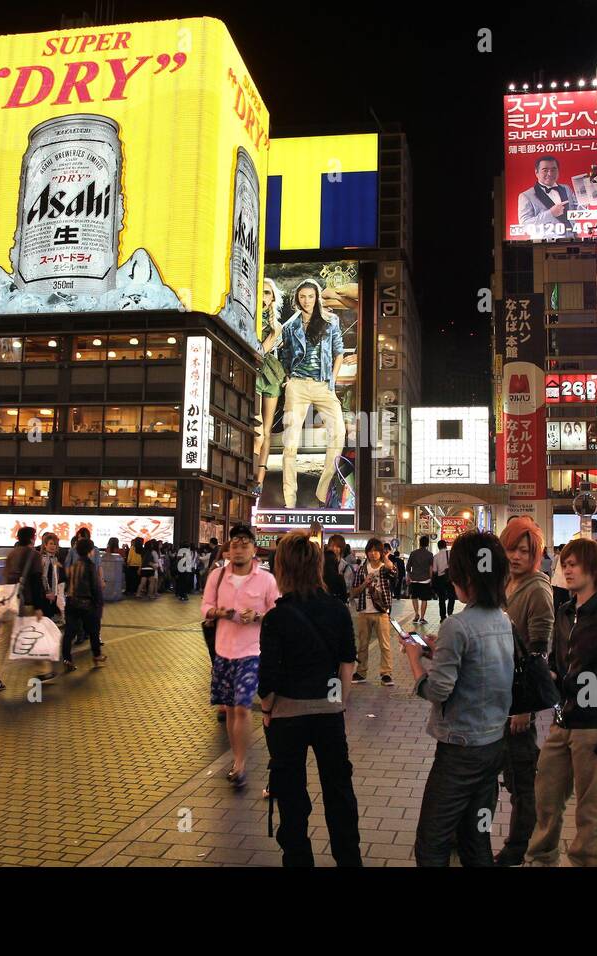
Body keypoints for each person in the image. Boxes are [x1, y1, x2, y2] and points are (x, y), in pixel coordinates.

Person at [525, 538, 597, 867]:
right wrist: (547, 675)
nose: (566, 568)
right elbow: (560, 665)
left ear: (594, 570)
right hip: (563, 721)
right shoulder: (565, 612)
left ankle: (588, 861)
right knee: (546, 797)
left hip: (595, 726)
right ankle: (541, 858)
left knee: (591, 808)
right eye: (565, 562)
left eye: (574, 563)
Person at [404, 531, 514, 867]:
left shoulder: (458, 625)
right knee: (475, 836)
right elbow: (480, 670)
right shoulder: (503, 620)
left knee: (432, 841)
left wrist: (413, 658)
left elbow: (439, 690)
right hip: (493, 744)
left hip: (458, 751)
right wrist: (440, 652)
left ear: (466, 578)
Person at [258, 531, 361, 866]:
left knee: (292, 793)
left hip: (287, 716)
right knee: (338, 790)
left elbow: (268, 676)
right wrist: (339, 702)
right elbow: (348, 661)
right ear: (318, 566)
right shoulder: (337, 610)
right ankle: (348, 858)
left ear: (283, 568)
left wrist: (267, 708)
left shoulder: (277, 616)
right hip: (329, 713)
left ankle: (299, 858)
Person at [493, 517, 556, 866]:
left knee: (520, 779)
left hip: (518, 699)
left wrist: (526, 709)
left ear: (536, 554)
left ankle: (518, 847)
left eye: (524, 550)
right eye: (511, 548)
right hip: (496, 694)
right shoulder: (506, 583)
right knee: (492, 771)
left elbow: (539, 653)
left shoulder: (538, 589)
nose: (516, 556)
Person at [201, 525, 280, 790]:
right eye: (234, 545)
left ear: (254, 550)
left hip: (252, 652)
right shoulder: (217, 576)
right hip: (223, 652)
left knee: (242, 708)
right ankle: (236, 760)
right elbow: (205, 607)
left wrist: (257, 617)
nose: (238, 549)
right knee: (231, 709)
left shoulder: (266, 580)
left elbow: (277, 611)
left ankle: (241, 764)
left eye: (244, 545)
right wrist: (219, 613)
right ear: (228, 549)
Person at [277, 278, 346, 508]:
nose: (306, 301)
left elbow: (339, 352)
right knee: (290, 443)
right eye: (302, 296)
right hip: (297, 385)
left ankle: (322, 492)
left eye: (310, 296)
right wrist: (288, 379)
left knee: (338, 434)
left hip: (323, 385)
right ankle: (289, 499)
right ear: (297, 299)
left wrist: (332, 381)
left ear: (317, 297)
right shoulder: (290, 326)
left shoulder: (331, 321)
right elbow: (285, 355)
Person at [0, 526, 55, 693]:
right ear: (32, 538)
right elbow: (36, 581)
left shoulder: (12, 554)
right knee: (33, 635)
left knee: (3, 641)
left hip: (9, 601)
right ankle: (44, 670)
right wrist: (39, 606)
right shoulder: (34, 555)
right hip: (25, 602)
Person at [252, 277, 287, 497]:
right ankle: (251, 471)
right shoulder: (250, 316)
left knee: (265, 430)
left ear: (273, 297)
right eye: (261, 292)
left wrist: (274, 333)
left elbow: (263, 351)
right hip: (253, 372)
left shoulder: (277, 326)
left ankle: (259, 481)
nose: (264, 297)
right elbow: (257, 352)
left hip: (271, 374)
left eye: (267, 293)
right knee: (256, 429)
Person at [349, 538, 396, 687]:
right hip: (364, 611)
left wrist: (388, 560)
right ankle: (361, 672)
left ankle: (386, 674)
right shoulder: (362, 569)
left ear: (381, 552)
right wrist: (365, 583)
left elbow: (394, 573)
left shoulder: (384, 568)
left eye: (376, 551)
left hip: (381, 611)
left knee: (385, 644)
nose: (373, 554)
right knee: (362, 644)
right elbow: (353, 593)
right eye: (370, 551)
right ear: (367, 553)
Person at [62, 538, 107, 671]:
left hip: (71, 602)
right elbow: (95, 587)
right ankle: (97, 655)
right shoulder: (90, 566)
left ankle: (66, 659)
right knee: (93, 630)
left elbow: (68, 582)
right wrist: (99, 604)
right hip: (86, 603)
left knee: (69, 633)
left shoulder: (74, 566)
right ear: (90, 551)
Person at [516, 154, 579, 239]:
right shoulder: (526, 196)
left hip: (573, 241)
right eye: (545, 170)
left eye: (553, 169)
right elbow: (525, 226)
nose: (550, 173)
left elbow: (576, 211)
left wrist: (585, 203)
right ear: (536, 172)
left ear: (558, 171)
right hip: (544, 246)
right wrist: (550, 213)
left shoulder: (566, 188)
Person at [406, 534, 434, 625]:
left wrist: (408, 577)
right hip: (425, 580)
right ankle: (422, 618)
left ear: (419, 543)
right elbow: (431, 569)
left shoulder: (413, 553)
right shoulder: (430, 555)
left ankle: (416, 614)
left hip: (414, 579)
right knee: (424, 599)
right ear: (427, 544)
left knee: (414, 597)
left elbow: (408, 567)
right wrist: (431, 579)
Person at [432, 538, 456, 620]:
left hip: (441, 579)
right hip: (450, 577)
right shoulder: (451, 554)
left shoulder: (435, 557)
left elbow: (434, 570)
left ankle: (442, 617)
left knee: (441, 599)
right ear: (445, 546)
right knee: (452, 596)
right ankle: (450, 612)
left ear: (438, 547)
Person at [322, 533, 349, 603]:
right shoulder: (321, 563)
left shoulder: (346, 566)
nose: (334, 549)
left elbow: (348, 588)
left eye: (337, 546)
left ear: (342, 548)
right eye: (332, 546)